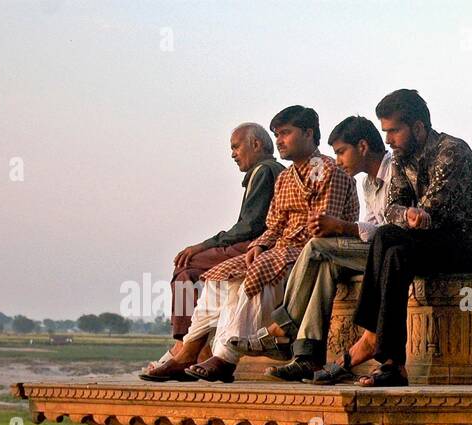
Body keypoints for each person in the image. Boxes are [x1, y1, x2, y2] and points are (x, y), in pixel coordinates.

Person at [143, 106, 358, 382]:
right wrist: (260, 246)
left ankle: (224, 358)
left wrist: (261, 248)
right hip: (279, 246)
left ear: (308, 133)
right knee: (219, 277)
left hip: (311, 250)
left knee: (240, 275)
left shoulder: (326, 170)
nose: (279, 140)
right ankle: (187, 352)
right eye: (277, 134)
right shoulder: (285, 177)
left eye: (285, 133)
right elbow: (273, 226)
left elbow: (320, 228)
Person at [312, 89, 472, 387]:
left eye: (394, 131)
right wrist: (409, 216)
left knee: (398, 252)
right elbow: (392, 209)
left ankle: (378, 347)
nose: (388, 139)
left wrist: (414, 216)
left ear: (418, 127)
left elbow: (434, 210)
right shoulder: (404, 159)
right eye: (385, 131)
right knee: (388, 238)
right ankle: (385, 353)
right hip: (437, 237)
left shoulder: (450, 151)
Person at [230, 116, 393, 381]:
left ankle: (282, 327)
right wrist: (262, 243)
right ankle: (307, 357)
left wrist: (341, 227)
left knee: (316, 247)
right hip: (356, 249)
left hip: (388, 252)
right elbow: (274, 224)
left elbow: (382, 232)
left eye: (342, 152)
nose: (338, 159)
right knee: (322, 266)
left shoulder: (376, 171)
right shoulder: (366, 182)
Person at [140, 125, 282, 379]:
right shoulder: (273, 171)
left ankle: (184, 345)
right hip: (261, 243)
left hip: (255, 245)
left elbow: (250, 227)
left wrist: (205, 245)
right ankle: (196, 347)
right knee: (196, 273)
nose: (233, 154)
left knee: (187, 266)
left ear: (257, 145)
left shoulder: (264, 171)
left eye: (236, 146)